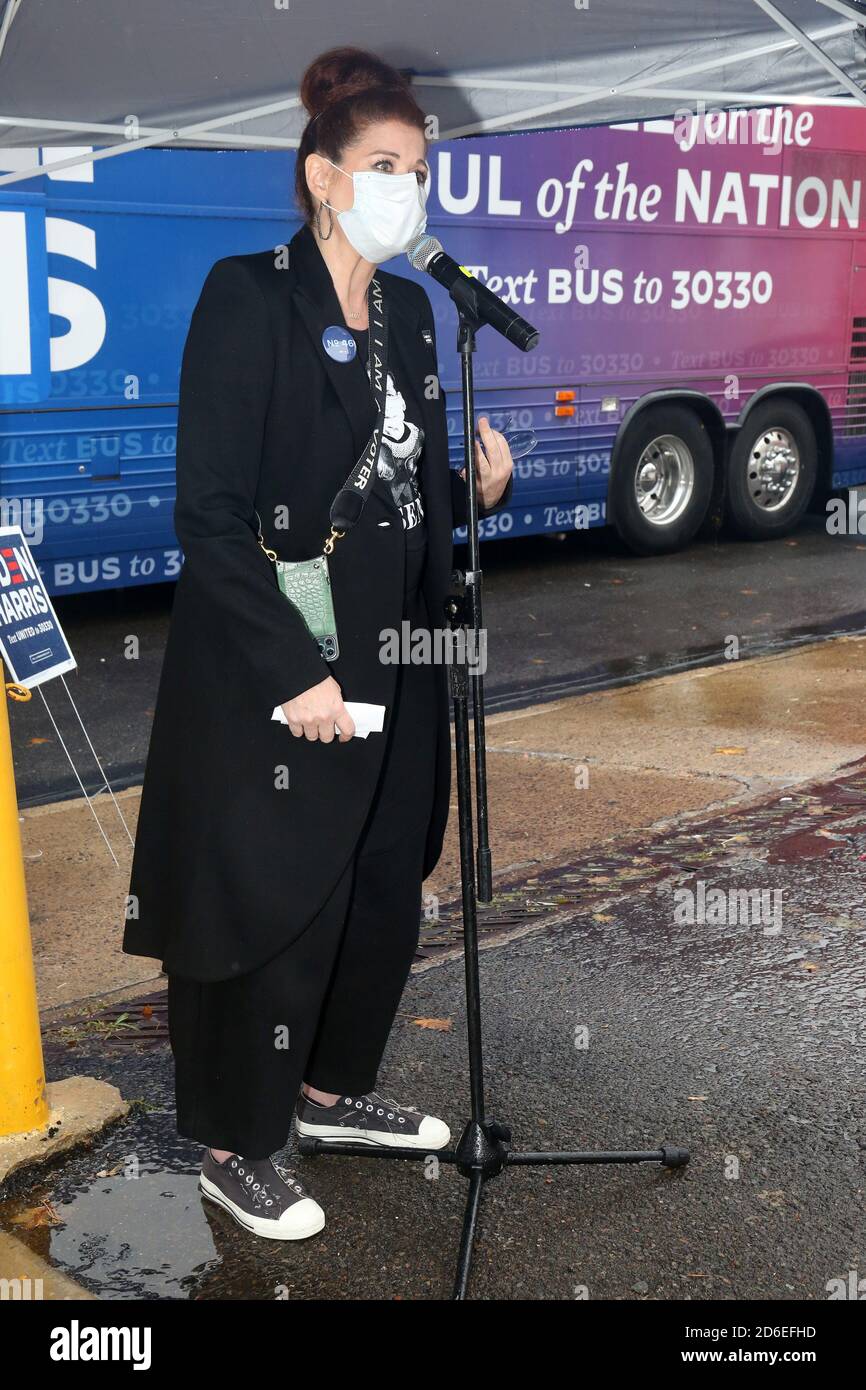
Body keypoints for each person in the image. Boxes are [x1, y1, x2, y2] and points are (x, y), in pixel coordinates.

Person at [122, 45, 514, 1240]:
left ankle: (332, 1089)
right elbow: (212, 516)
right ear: (323, 178)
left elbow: (385, 483)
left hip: (400, 649)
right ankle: (235, 1143)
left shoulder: (405, 307)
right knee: (272, 890)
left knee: (384, 872)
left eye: (422, 170)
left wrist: (469, 497)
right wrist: (298, 670)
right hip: (273, 669)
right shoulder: (249, 296)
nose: (410, 189)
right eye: (386, 165)